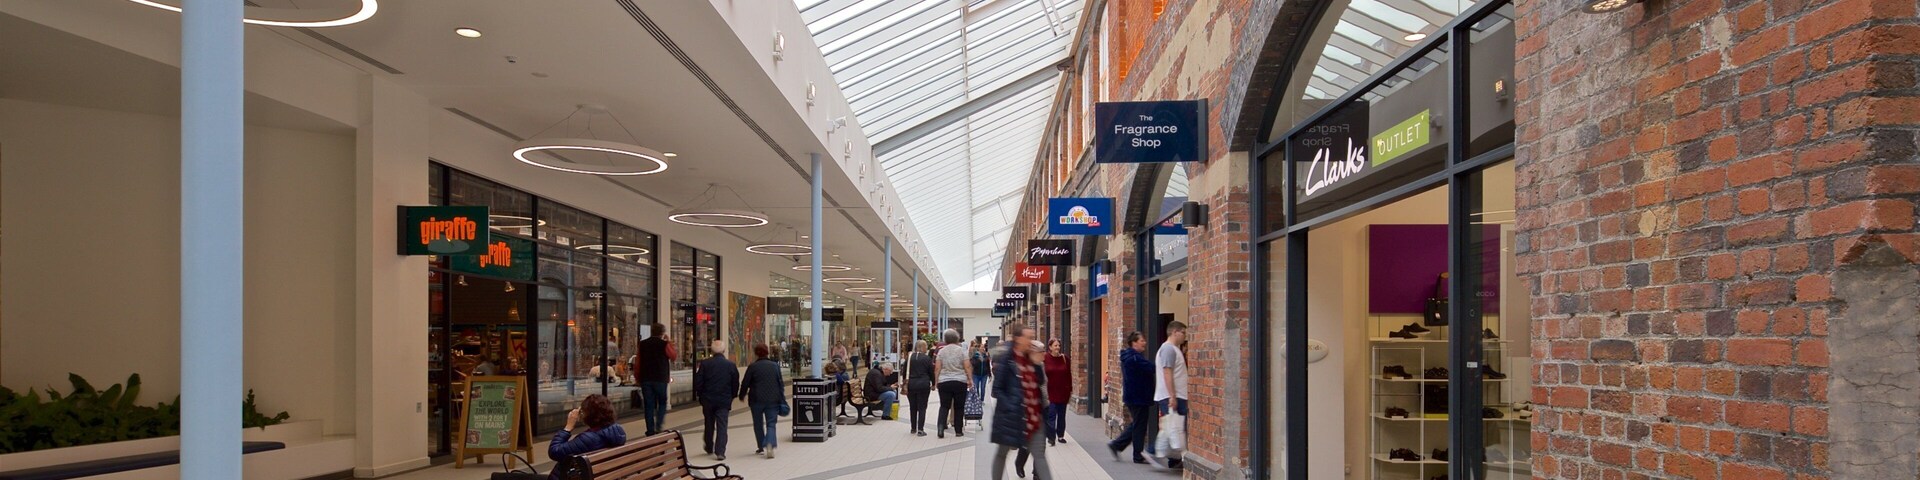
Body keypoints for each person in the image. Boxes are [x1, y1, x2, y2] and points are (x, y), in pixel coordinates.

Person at [990, 326, 1049, 480]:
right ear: (1018, 339)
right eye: (1028, 337)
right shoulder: (1007, 359)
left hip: (1033, 417)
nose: (1031, 341)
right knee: (1002, 453)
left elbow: (1040, 382)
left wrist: (1037, 365)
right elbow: (997, 389)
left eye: (1032, 337)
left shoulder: (1032, 359)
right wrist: (1011, 406)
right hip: (1011, 417)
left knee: (1040, 456)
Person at [548, 394, 627, 479]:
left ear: (589, 415)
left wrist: (568, 427)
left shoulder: (589, 439)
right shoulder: (617, 432)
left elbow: (555, 452)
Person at [1106, 331, 1156, 463]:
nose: (1144, 343)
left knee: (1137, 423)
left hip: (1135, 396)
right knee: (1139, 425)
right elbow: (1151, 368)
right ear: (1134, 343)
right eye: (1142, 341)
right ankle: (1137, 455)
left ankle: (1117, 445)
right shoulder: (1135, 358)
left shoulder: (1131, 356)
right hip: (1138, 397)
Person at [692, 340, 738, 460]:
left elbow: (698, 381)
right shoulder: (730, 365)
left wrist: (700, 395)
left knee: (709, 423)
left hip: (708, 399)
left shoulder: (705, 364)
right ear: (724, 350)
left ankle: (708, 445)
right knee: (722, 425)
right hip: (723, 400)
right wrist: (732, 396)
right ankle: (720, 451)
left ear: (712, 351)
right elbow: (735, 383)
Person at [739, 343, 786, 458]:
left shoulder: (753, 367)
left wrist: (742, 395)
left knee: (758, 423)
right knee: (771, 423)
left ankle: (761, 446)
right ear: (767, 352)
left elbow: (745, 383)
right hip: (772, 400)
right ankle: (770, 442)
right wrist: (782, 397)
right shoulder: (775, 366)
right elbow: (780, 383)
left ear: (756, 353)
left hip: (756, 400)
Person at [1155, 321, 1190, 469]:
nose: (1184, 336)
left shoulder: (1173, 349)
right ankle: (1154, 452)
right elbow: (1167, 372)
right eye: (1183, 332)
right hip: (1173, 396)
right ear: (1175, 332)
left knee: (1172, 428)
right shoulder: (1169, 349)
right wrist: (1172, 396)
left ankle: (1173, 460)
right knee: (1174, 428)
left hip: (1175, 395)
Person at [634, 323, 674, 436]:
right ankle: (659, 425)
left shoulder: (643, 344)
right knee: (662, 402)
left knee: (649, 405)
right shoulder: (664, 344)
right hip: (660, 378)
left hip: (646, 378)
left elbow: (638, 362)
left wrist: (637, 377)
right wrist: (668, 341)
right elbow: (673, 356)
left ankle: (650, 429)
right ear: (662, 333)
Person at [933, 329, 972, 438]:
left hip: (944, 381)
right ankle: (958, 431)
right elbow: (967, 366)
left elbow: (937, 368)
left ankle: (940, 428)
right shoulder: (962, 351)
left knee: (944, 406)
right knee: (959, 407)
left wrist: (936, 381)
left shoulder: (942, 351)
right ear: (957, 338)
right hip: (960, 381)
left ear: (945, 339)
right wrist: (970, 379)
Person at [904, 339, 935, 436]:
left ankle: (913, 428)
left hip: (911, 385)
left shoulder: (909, 358)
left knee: (912, 407)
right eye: (925, 346)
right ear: (921, 347)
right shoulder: (927, 359)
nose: (926, 348)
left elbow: (904, 372)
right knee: (922, 407)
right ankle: (920, 429)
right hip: (923, 385)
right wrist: (933, 384)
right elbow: (931, 373)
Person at [1043, 338, 1070, 446]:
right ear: (1050, 347)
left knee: (1062, 415)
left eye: (1059, 345)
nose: (1058, 347)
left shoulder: (1065, 358)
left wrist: (1070, 390)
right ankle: (1051, 437)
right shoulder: (1045, 358)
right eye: (1055, 345)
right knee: (1051, 414)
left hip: (1063, 391)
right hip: (1050, 391)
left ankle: (1061, 435)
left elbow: (1069, 375)